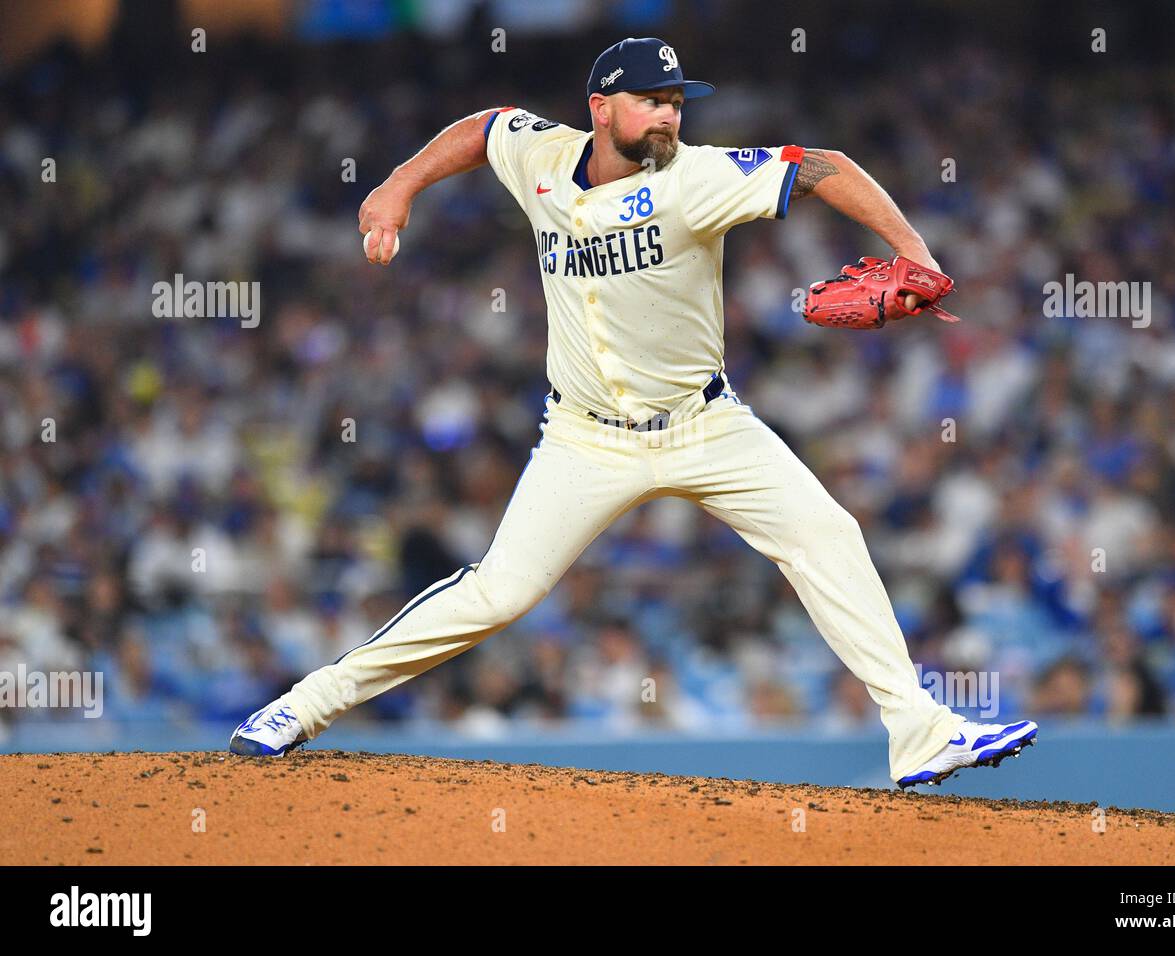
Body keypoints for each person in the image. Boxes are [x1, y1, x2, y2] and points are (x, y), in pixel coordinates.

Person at [230, 37, 1038, 789]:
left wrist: (917, 255)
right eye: (651, 99)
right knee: (497, 595)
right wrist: (398, 185)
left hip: (704, 425)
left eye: (677, 101)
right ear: (601, 108)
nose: (669, 115)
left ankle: (919, 731)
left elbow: (822, 165)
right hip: (584, 438)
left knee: (827, 535)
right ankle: (302, 705)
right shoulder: (541, 156)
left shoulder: (698, 177)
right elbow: (484, 127)